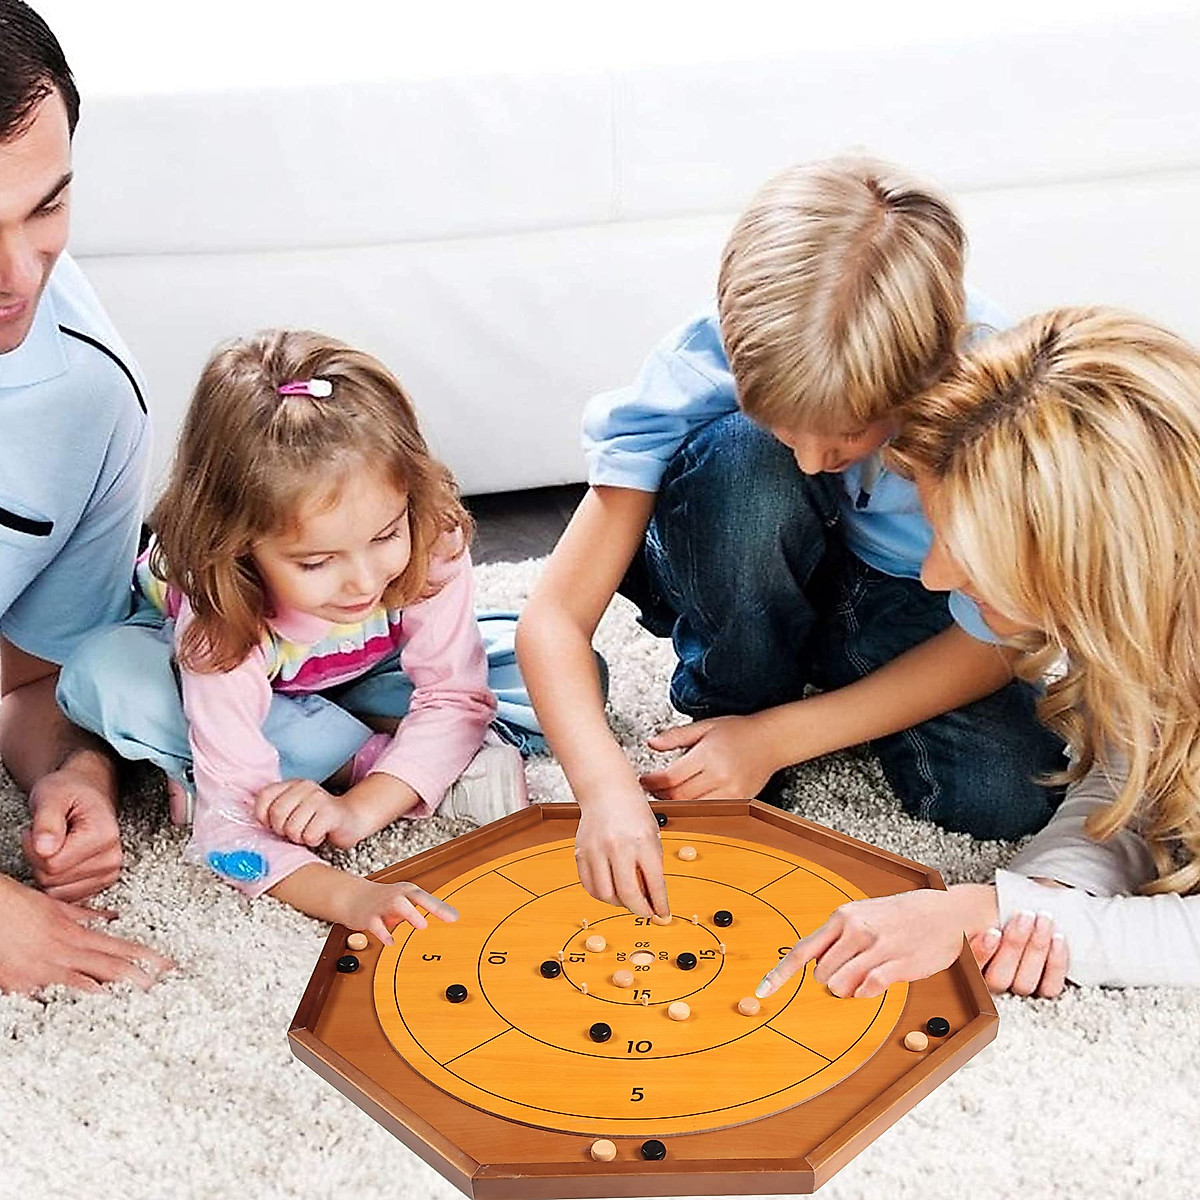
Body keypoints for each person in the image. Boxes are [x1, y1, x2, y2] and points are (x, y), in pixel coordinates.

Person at [517, 156, 1063, 919]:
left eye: (845, 436)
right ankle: (738, 692)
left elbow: (1002, 635)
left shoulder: (1001, 405)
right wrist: (604, 788)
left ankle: (811, 682)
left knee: (1009, 795)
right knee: (750, 467)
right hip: (736, 545)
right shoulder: (706, 358)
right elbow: (551, 617)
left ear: (922, 377)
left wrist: (776, 738)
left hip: (912, 597)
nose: (810, 460)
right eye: (783, 423)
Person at [757, 307, 1200, 1000]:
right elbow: (1128, 782)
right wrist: (1041, 899)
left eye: (965, 546)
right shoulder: (1143, 621)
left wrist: (1003, 912)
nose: (934, 577)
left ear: (1094, 556)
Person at [58, 330, 529, 940]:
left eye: (385, 536)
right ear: (239, 547)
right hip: (226, 677)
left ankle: (337, 757)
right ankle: (366, 757)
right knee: (108, 679)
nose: (364, 581)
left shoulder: (429, 536)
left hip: (360, 670)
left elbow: (454, 694)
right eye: (316, 561)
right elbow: (230, 831)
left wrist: (362, 808)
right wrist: (350, 896)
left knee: (549, 666)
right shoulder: (220, 611)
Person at [0, 0, 171, 993]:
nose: (16, 276)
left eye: (46, 207)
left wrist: (78, 771)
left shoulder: (91, 397)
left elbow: (32, 673)